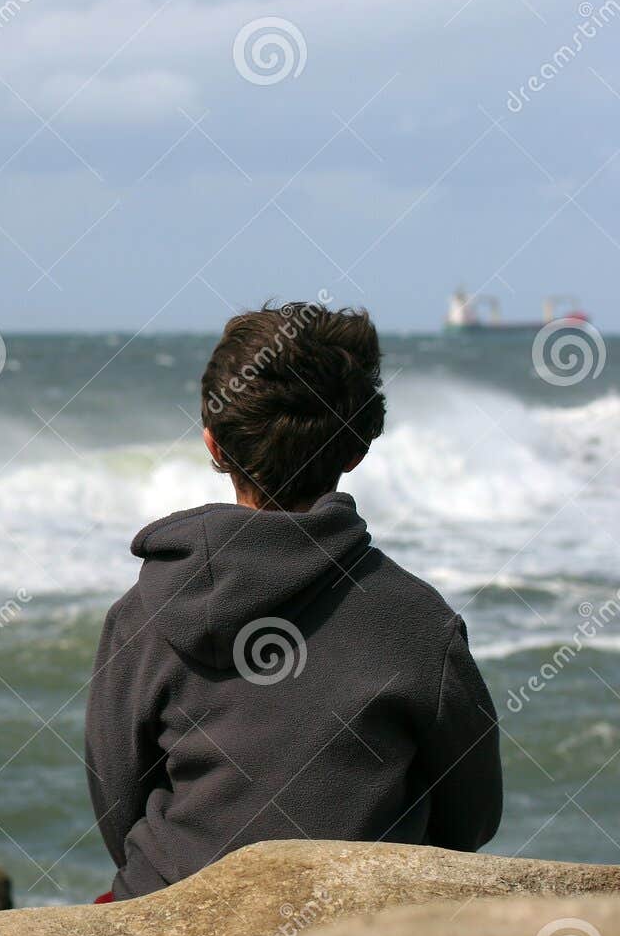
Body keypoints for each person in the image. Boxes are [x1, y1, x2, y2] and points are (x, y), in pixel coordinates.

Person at [85, 302, 501, 899]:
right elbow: (471, 822)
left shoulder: (139, 616)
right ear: (357, 450)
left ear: (214, 445)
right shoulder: (420, 621)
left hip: (171, 927)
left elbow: (118, 809)